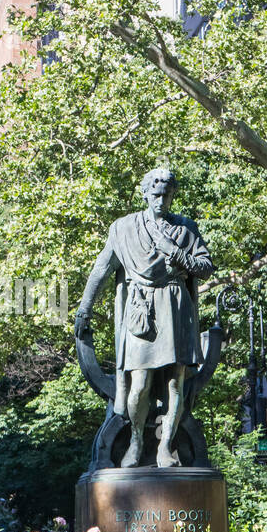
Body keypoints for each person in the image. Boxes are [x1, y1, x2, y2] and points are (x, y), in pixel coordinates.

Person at [74, 167, 215, 467]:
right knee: (139, 384)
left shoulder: (186, 229)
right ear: (145, 194)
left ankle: (166, 446)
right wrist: (85, 306)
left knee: (175, 385)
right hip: (142, 312)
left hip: (176, 309)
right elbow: (102, 269)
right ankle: (136, 441)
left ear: (173, 195)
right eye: (156, 194)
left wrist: (175, 253)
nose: (161, 200)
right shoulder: (123, 228)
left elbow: (205, 267)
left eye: (167, 195)